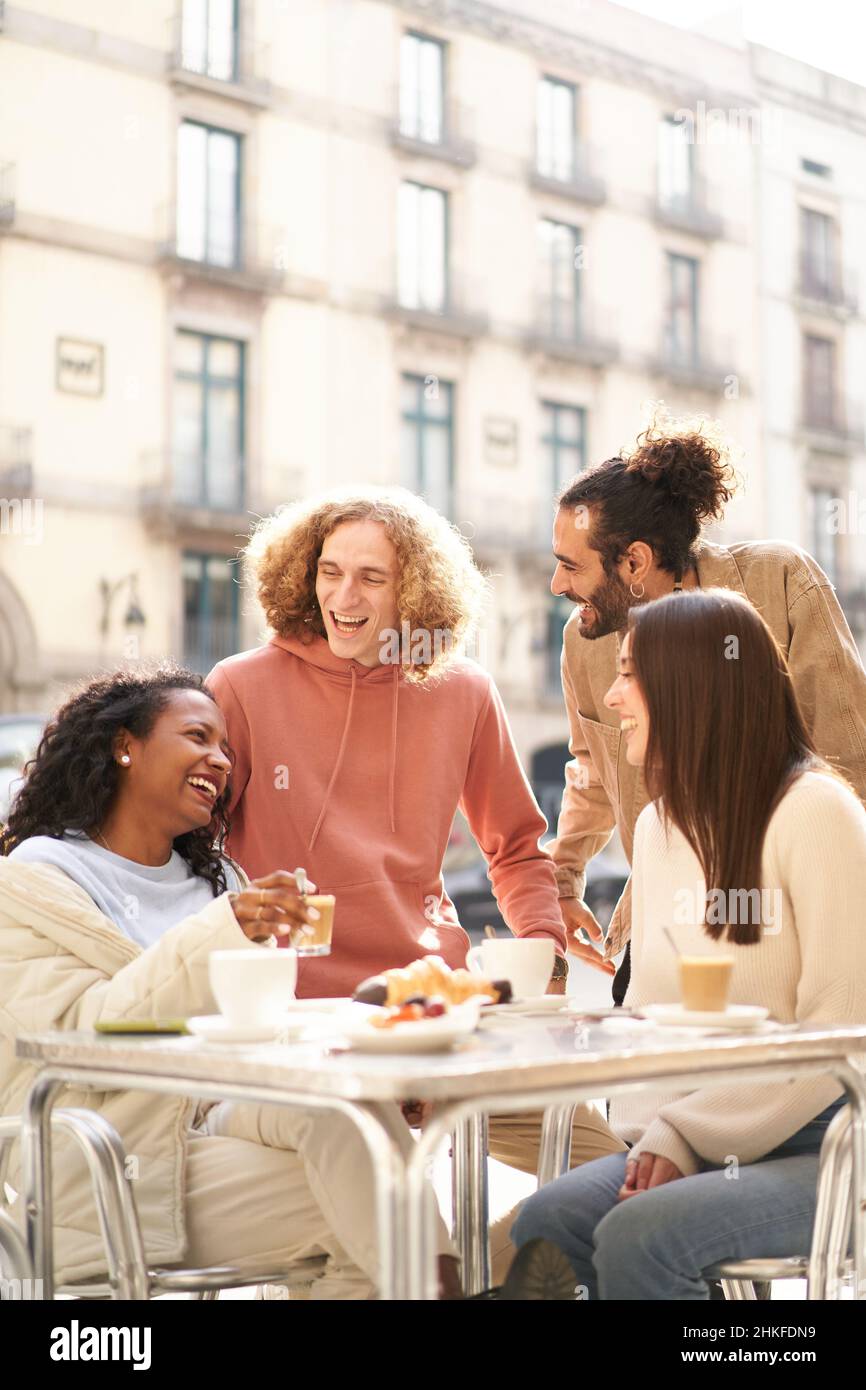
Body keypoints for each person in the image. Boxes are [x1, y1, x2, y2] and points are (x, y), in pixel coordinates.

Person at [205, 487, 627, 1278]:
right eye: (329, 573)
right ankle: (436, 1279)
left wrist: (541, 952)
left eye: (370, 577)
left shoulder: (460, 691)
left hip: (437, 1015)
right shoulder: (241, 687)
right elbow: (190, 854)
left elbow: (516, 849)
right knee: (369, 1218)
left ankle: (488, 1277)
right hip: (303, 1025)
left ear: (417, 590)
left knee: (616, 1177)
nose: (343, 597)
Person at [0, 666, 462, 1299]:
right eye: (197, 737)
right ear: (123, 746)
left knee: (352, 1119)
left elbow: (260, 1032)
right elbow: (88, 1037)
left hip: (213, 1121)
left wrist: (375, 1087)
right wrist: (223, 927)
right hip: (109, 1156)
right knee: (367, 1207)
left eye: (225, 750)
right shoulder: (32, 882)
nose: (218, 761)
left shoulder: (220, 886)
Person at [512, 588, 866, 1299]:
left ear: (691, 686)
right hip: (702, 1132)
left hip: (830, 1140)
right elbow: (656, 1018)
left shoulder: (817, 812)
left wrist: (683, 1133)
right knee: (547, 1223)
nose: (611, 698)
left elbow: (843, 1033)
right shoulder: (659, 826)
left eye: (627, 673)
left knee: (644, 1234)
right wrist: (660, 1126)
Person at [548, 411, 866, 1005]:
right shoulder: (582, 641)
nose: (556, 585)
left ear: (635, 562)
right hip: (661, 920)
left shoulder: (781, 584)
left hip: (783, 916)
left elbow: (854, 760)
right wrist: (560, 883)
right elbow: (590, 775)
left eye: (571, 565)